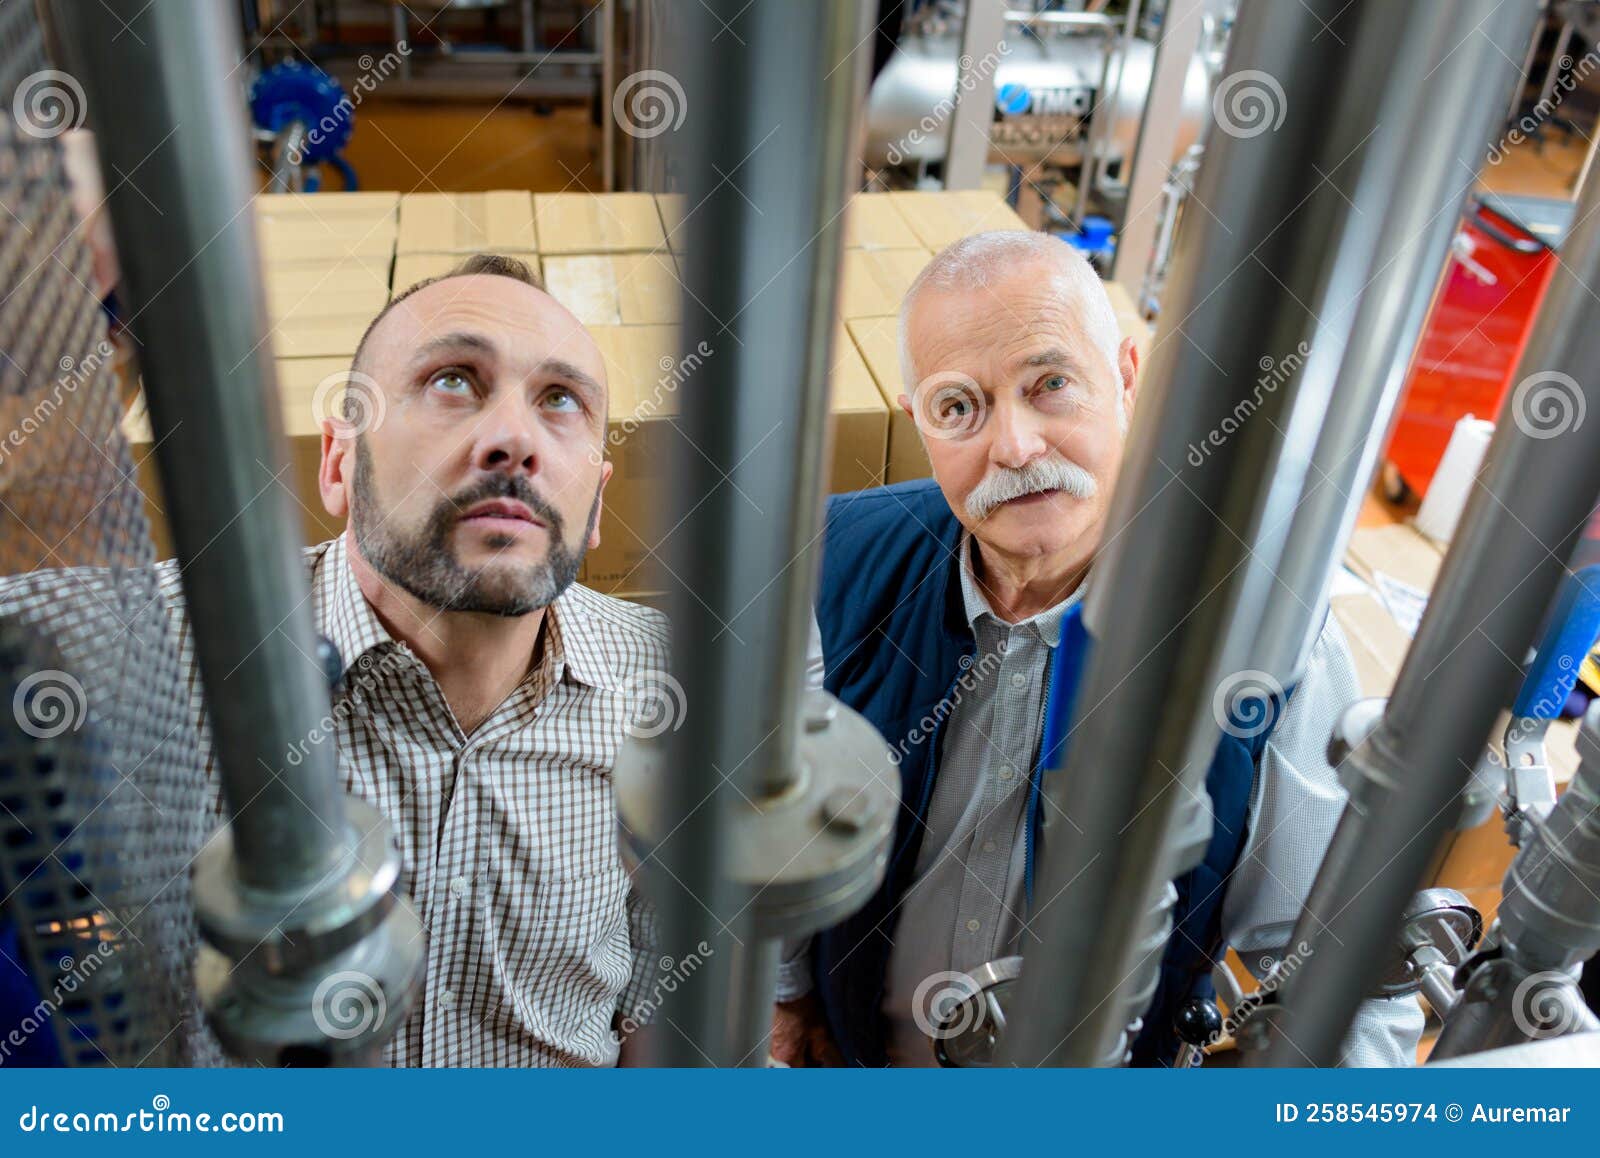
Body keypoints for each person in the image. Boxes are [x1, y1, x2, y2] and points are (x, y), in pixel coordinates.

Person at [771, 231, 1423, 1068]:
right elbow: (770, 824)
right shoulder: (833, 562)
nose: (1014, 446)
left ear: (1124, 376)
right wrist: (787, 995)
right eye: (958, 406)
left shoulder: (1267, 641)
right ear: (920, 425)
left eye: (1050, 385)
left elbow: (1335, 969)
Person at [7, 254, 666, 1066]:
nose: (512, 439)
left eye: (559, 400)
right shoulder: (148, 640)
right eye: (453, 381)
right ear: (338, 462)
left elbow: (663, 988)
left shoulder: (667, 688)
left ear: (596, 500)